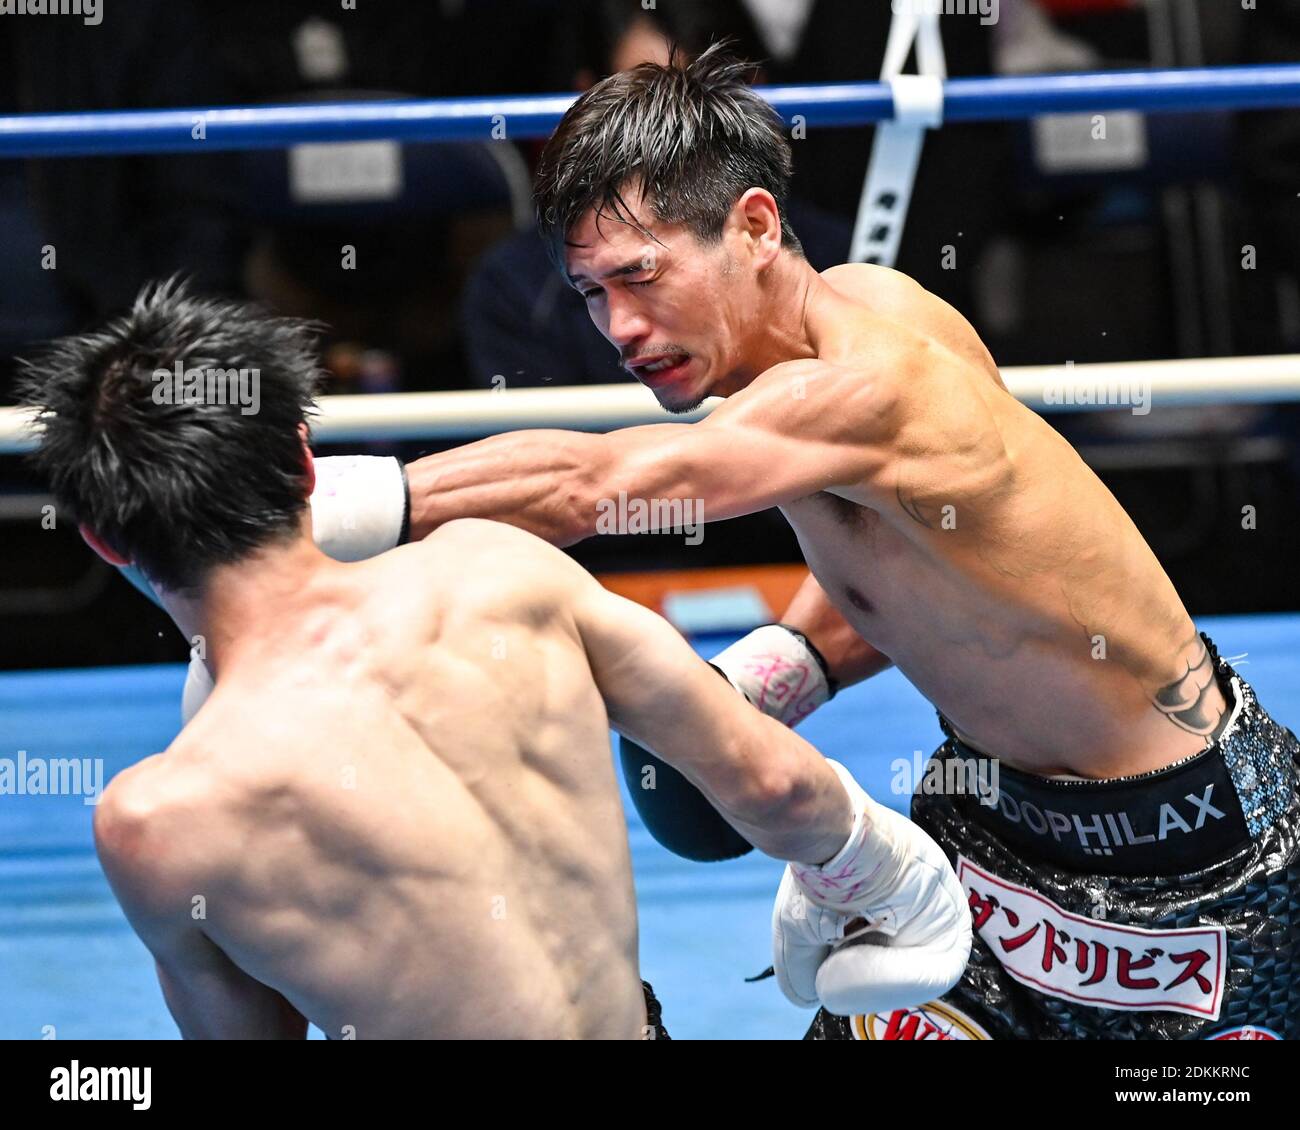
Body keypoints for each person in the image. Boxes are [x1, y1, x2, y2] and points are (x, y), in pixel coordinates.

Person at [311, 46, 1300, 1039]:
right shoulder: (844, 319)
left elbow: (592, 485)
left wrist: (329, 500)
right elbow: (940, 566)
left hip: (1197, 853)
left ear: (753, 225)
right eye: (591, 293)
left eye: (640, 276)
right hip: (992, 827)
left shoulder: (872, 382)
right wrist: (778, 675)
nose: (620, 326)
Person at [18, 279, 970, 1039]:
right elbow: (779, 789)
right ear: (307, 464)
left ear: (102, 539)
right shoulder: (503, 569)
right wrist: (881, 876)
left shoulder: (153, 822)